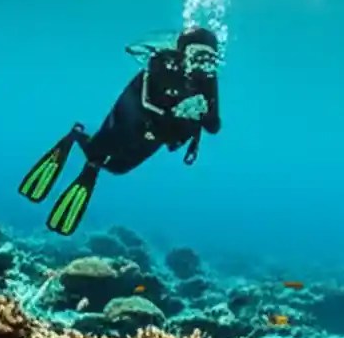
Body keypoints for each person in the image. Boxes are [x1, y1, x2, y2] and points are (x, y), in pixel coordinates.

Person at [19, 26, 222, 235]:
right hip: (133, 116)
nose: (202, 62)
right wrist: (177, 111)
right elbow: (145, 100)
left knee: (119, 168)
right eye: (198, 54)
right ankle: (77, 137)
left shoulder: (208, 80)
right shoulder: (164, 63)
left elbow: (214, 126)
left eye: (209, 57)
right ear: (183, 51)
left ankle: (92, 165)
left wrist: (201, 114)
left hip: (161, 133)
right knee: (98, 150)